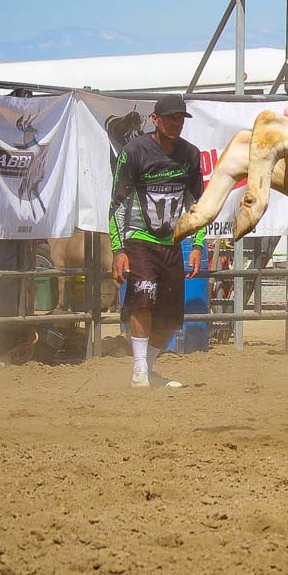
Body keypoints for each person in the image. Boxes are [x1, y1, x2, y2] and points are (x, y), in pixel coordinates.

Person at [109, 94, 206, 388]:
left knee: (170, 316)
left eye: (180, 119)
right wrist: (118, 249)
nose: (176, 123)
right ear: (155, 119)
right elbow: (116, 203)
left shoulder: (190, 154)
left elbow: (198, 204)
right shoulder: (134, 151)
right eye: (170, 118)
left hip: (171, 242)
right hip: (139, 238)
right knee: (143, 296)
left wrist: (198, 245)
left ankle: (147, 369)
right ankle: (139, 369)